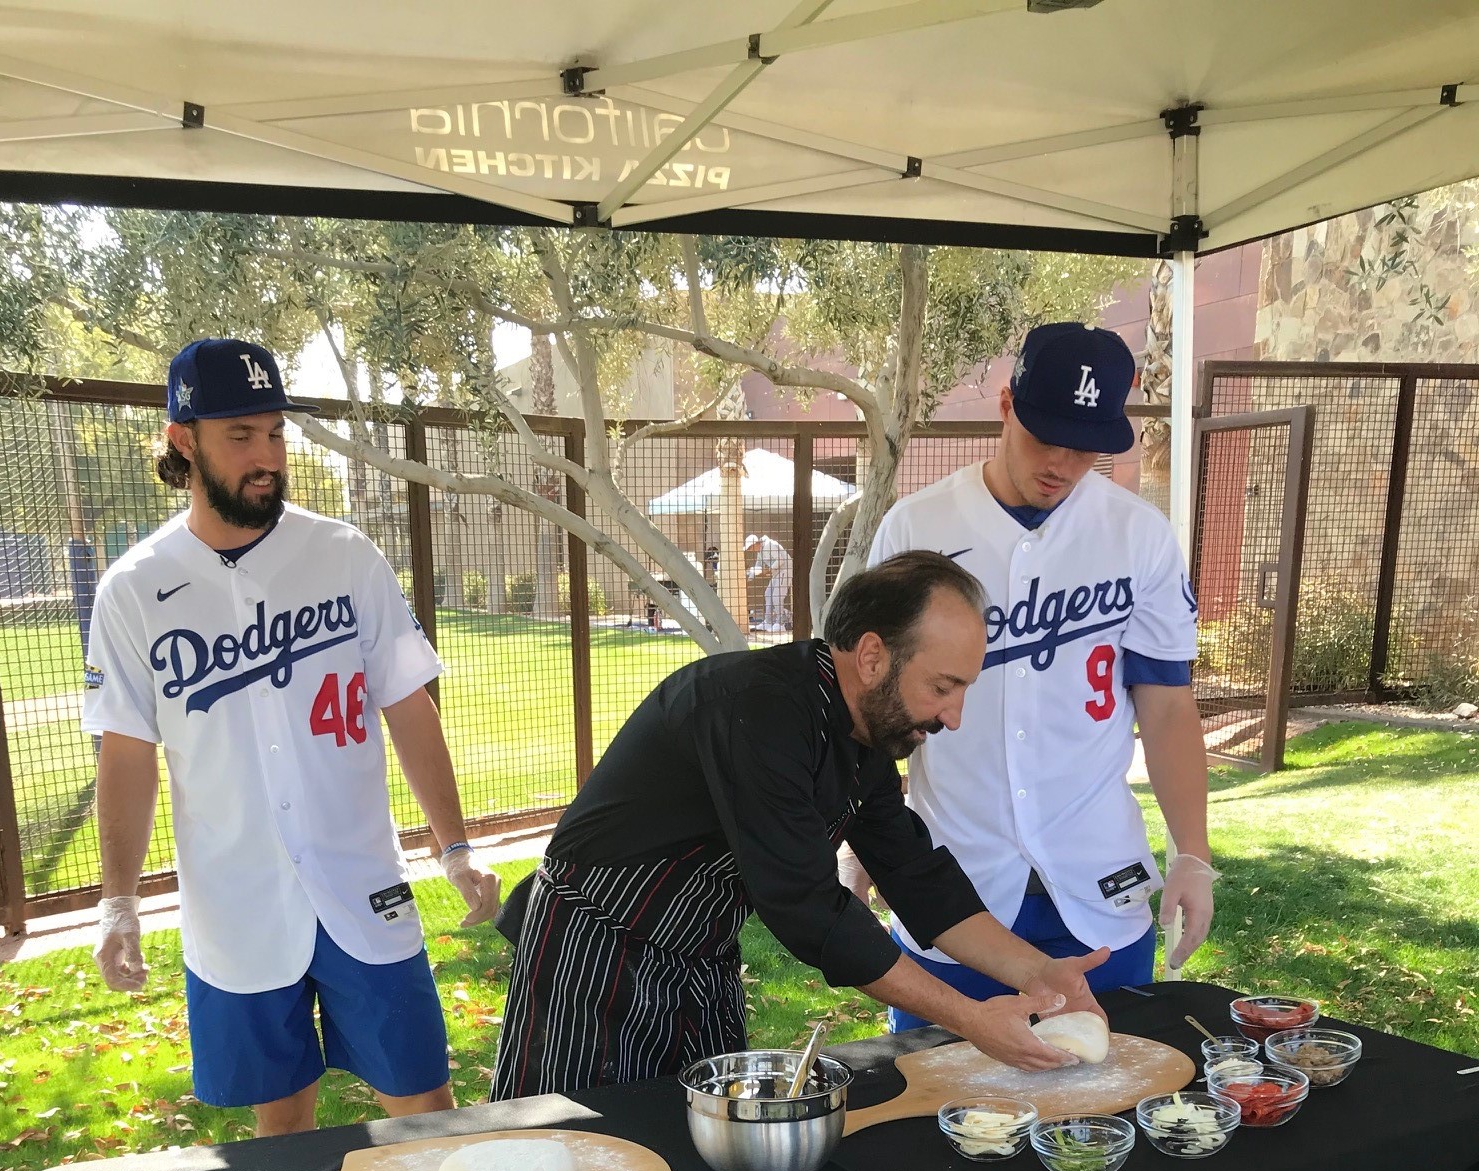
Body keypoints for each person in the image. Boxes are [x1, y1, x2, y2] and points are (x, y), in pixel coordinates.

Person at [491, 551, 1109, 1101]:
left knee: (694, 1151)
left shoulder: (864, 734)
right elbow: (807, 906)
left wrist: (1037, 973)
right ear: (872, 656)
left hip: (697, 960)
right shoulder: (756, 709)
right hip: (594, 956)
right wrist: (971, 1019)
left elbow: (917, 877)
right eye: (943, 686)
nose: (954, 715)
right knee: (575, 1157)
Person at [83, 337, 500, 1136]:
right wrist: (117, 902)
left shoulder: (342, 554)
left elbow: (408, 704)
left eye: (274, 432)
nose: (266, 456)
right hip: (235, 902)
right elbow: (127, 754)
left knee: (426, 1112)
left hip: (360, 883)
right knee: (282, 1139)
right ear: (183, 441)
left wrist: (455, 847)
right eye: (241, 436)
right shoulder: (133, 589)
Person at [863, 322, 1216, 1031]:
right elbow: (872, 709)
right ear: (1005, 405)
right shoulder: (916, 526)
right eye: (1043, 435)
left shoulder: (1138, 535)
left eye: (1083, 447)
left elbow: (1168, 708)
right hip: (952, 880)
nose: (1059, 462)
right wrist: (862, 839)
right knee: (944, 1113)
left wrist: (1193, 854)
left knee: (1106, 1112)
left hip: (1098, 884)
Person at [745, 531, 793, 632]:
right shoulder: (760, 551)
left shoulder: (769, 545)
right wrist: (748, 576)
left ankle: (781, 623)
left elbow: (780, 560)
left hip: (785, 570)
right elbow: (758, 566)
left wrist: (769, 569)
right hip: (777, 573)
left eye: (750, 547)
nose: (750, 550)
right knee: (768, 594)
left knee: (777, 596)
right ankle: (768, 622)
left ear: (756, 543)